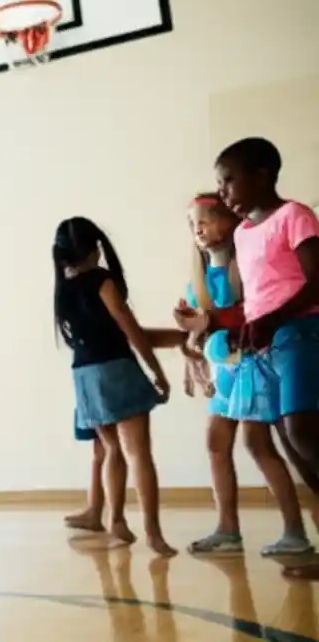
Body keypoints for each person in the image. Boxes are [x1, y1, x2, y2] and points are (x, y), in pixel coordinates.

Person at [178, 137, 319, 578]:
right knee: (292, 449)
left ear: (262, 175)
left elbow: (316, 282)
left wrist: (275, 319)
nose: (224, 191)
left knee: (303, 434)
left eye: (229, 181)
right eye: (219, 183)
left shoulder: (294, 216)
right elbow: (253, 300)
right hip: (263, 348)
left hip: (299, 335)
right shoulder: (242, 233)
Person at [53, 217, 177, 556]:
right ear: (94, 249)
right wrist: (156, 371)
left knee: (110, 451)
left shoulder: (62, 290)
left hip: (84, 375)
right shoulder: (102, 281)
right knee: (139, 454)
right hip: (116, 370)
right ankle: (152, 533)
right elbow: (129, 326)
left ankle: (117, 522)